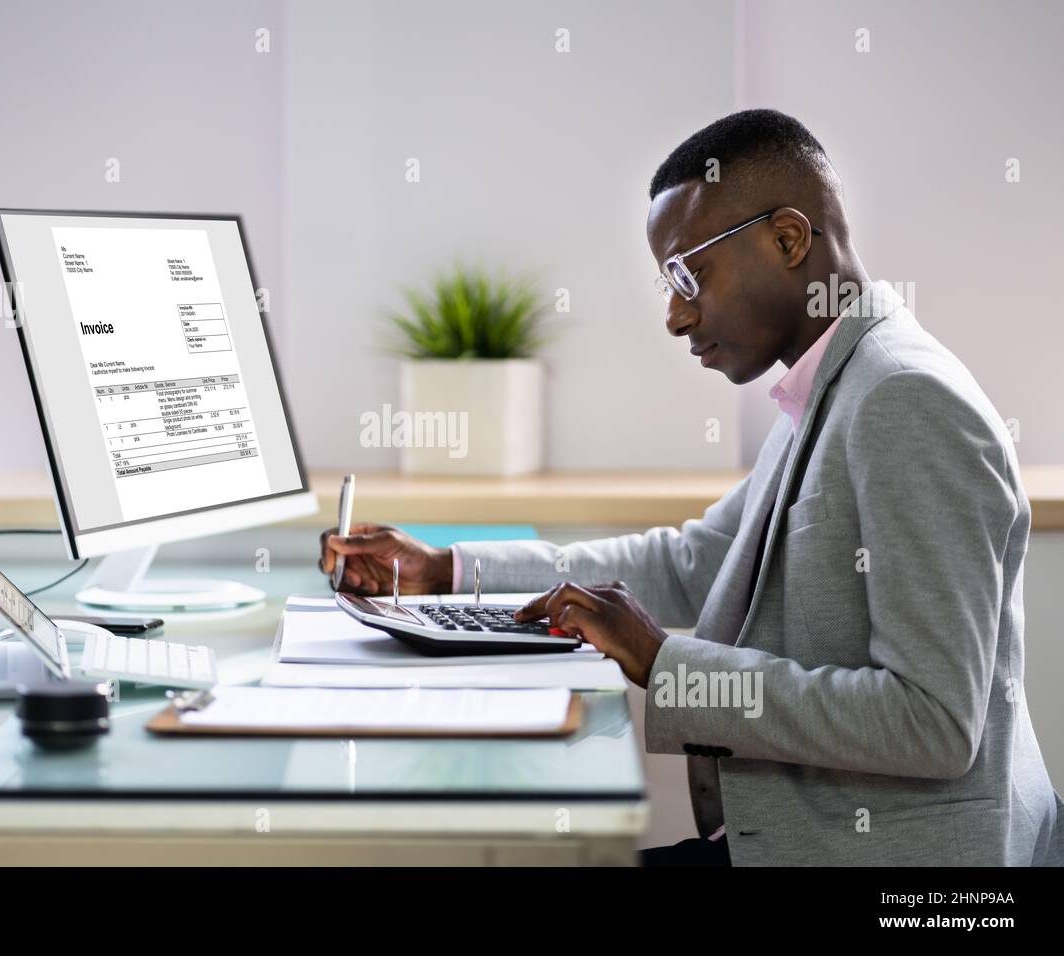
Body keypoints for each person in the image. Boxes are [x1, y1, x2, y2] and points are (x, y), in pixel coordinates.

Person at [318, 109, 1062, 867]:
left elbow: (931, 721)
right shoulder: (835, 383)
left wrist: (663, 661)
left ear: (788, 239)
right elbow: (695, 561)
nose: (675, 316)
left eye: (688, 273)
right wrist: (448, 572)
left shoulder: (904, 400)